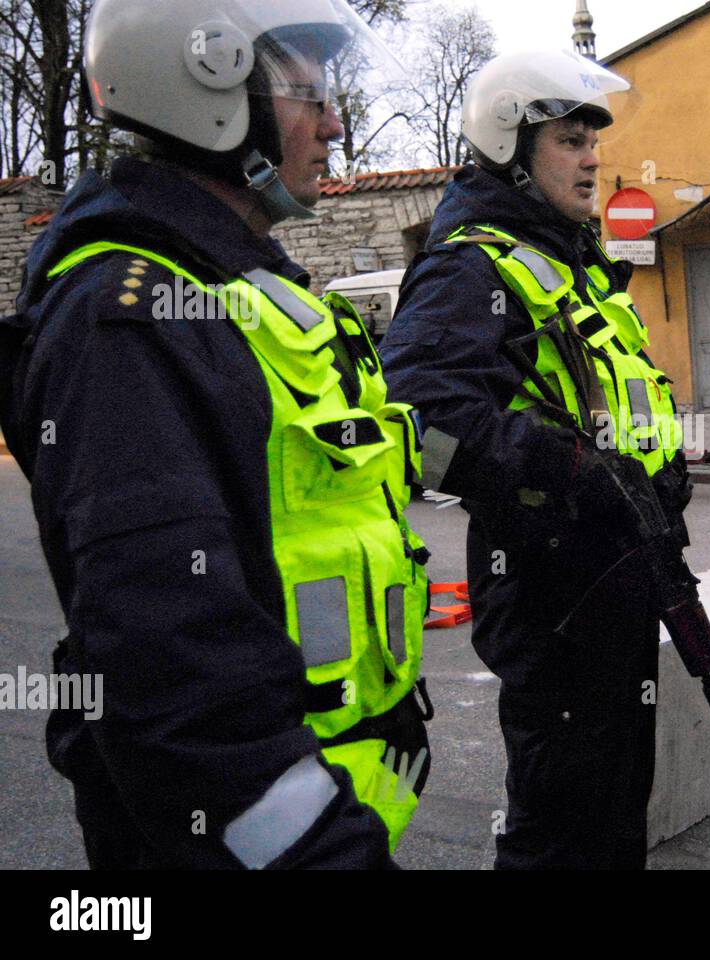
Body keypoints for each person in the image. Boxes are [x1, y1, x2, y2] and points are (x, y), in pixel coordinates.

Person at [0, 0, 432, 869]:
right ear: (208, 90)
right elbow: (175, 668)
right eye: (309, 93)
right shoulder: (124, 318)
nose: (336, 122)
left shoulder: (237, 291)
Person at [380, 50, 693, 869]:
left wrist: (660, 473)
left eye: (594, 137)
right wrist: (567, 473)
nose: (592, 155)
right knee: (556, 836)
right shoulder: (471, 263)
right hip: (551, 593)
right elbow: (420, 423)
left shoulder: (569, 263)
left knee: (613, 819)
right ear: (511, 145)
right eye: (568, 138)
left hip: (616, 580)